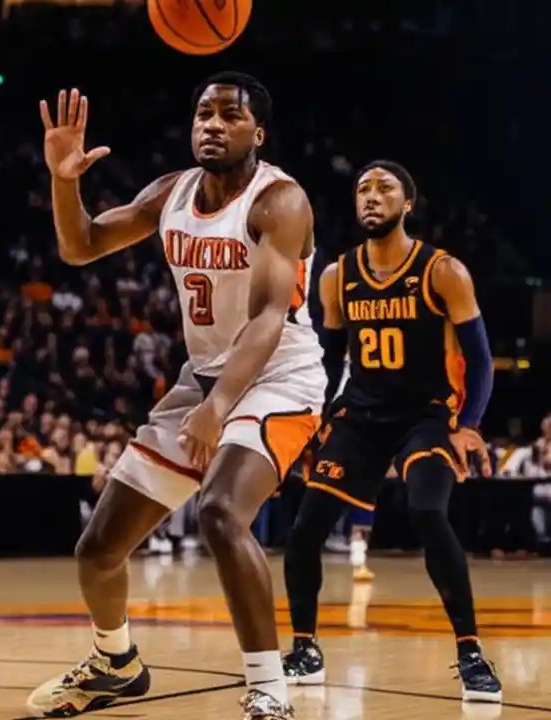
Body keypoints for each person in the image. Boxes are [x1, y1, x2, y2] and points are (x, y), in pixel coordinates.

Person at [26, 73, 322, 720]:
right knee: (99, 550)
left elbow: (271, 315)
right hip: (205, 380)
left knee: (219, 513)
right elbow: (80, 247)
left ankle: (269, 689)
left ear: (258, 133)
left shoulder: (281, 201)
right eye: (203, 114)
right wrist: (64, 177)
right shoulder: (171, 193)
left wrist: (220, 409)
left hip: (280, 377)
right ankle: (116, 663)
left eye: (230, 115)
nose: (212, 124)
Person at [281, 160, 502, 703]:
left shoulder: (443, 271)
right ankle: (305, 648)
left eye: (384, 188)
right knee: (307, 527)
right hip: (360, 416)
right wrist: (314, 419)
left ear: (408, 204)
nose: (371, 197)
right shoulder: (338, 276)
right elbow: (330, 361)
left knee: (428, 512)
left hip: (425, 415)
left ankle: (470, 651)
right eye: (362, 189)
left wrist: (468, 425)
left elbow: (481, 360)